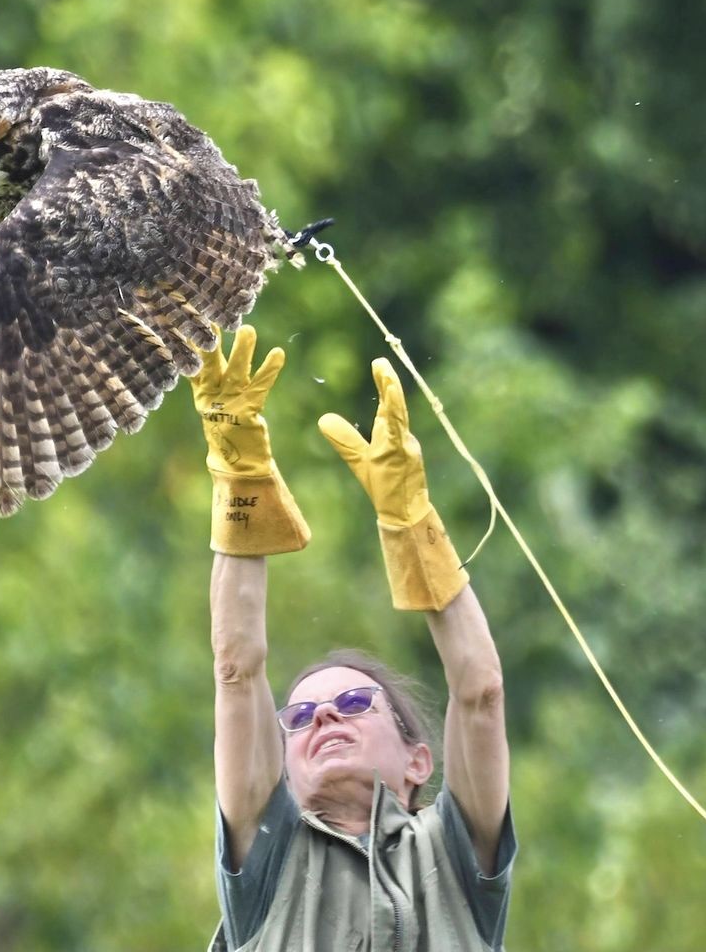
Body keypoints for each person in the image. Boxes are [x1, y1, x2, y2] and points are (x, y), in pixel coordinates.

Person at [189, 326, 516, 951]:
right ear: (279, 768)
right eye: (302, 715)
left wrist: (411, 523)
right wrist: (239, 483)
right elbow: (236, 668)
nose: (326, 716)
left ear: (420, 761)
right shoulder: (267, 858)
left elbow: (480, 690)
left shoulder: (456, 856)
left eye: (359, 703)